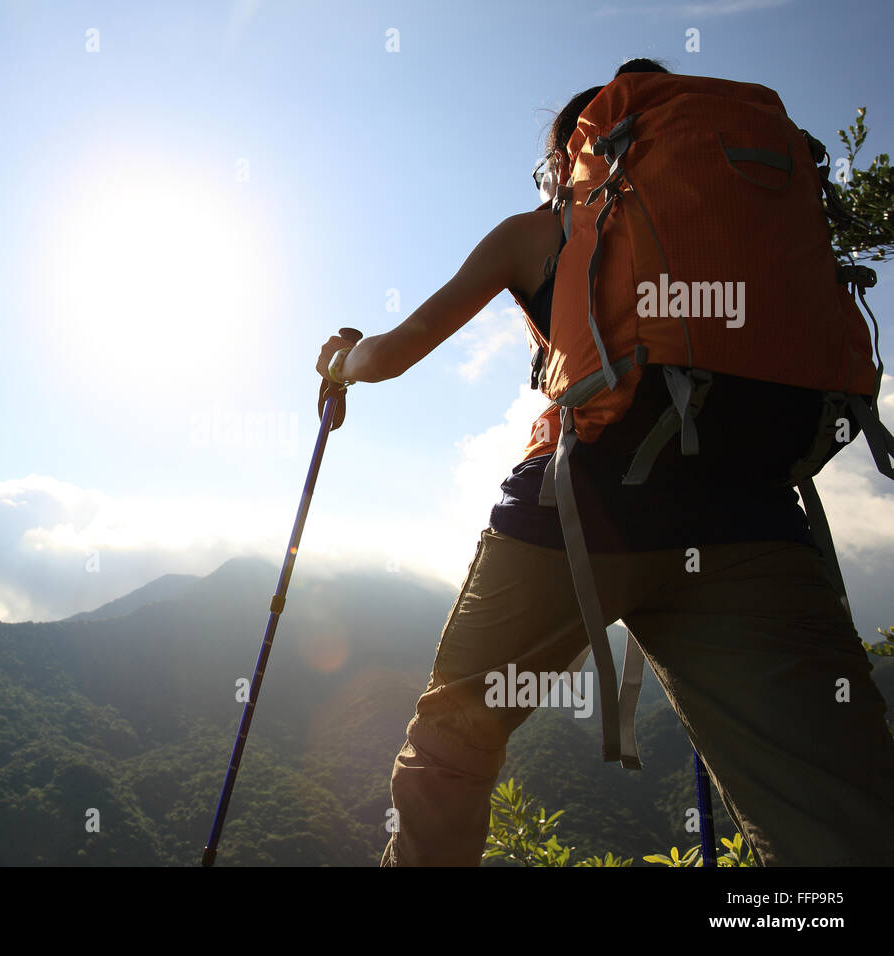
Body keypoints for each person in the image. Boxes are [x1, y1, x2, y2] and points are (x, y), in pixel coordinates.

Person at [316, 58, 894, 866]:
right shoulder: (756, 228)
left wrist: (344, 360)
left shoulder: (540, 230)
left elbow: (397, 353)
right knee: (836, 811)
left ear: (577, 158)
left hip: (575, 514)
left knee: (451, 740)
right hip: (752, 520)